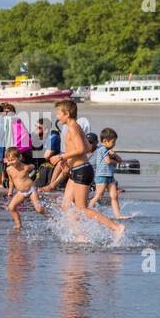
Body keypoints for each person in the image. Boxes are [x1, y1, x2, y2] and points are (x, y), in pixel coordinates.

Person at [49, 100, 124, 239]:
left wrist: (61, 156)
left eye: (58, 113)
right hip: (76, 170)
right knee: (65, 206)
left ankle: (116, 227)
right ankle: (80, 236)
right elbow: (89, 148)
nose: (57, 116)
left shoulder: (72, 127)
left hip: (82, 171)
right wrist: (68, 161)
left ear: (67, 113)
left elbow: (81, 149)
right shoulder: (76, 126)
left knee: (82, 208)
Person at [89, 127, 127, 218]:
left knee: (114, 196)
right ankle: (87, 209)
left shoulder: (109, 151)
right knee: (99, 195)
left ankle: (118, 215)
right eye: (113, 142)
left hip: (110, 176)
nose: (114, 144)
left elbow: (120, 160)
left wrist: (114, 155)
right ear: (105, 141)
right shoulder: (102, 149)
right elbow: (108, 162)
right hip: (101, 176)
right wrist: (114, 162)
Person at [4, 148, 45, 229]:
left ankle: (50, 216)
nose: (11, 162)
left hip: (31, 190)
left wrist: (33, 169)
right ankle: (18, 225)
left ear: (19, 157)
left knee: (39, 209)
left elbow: (34, 166)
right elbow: (11, 181)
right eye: (9, 160)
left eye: (13, 159)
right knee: (11, 207)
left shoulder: (25, 167)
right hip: (21, 192)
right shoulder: (9, 169)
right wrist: (10, 191)